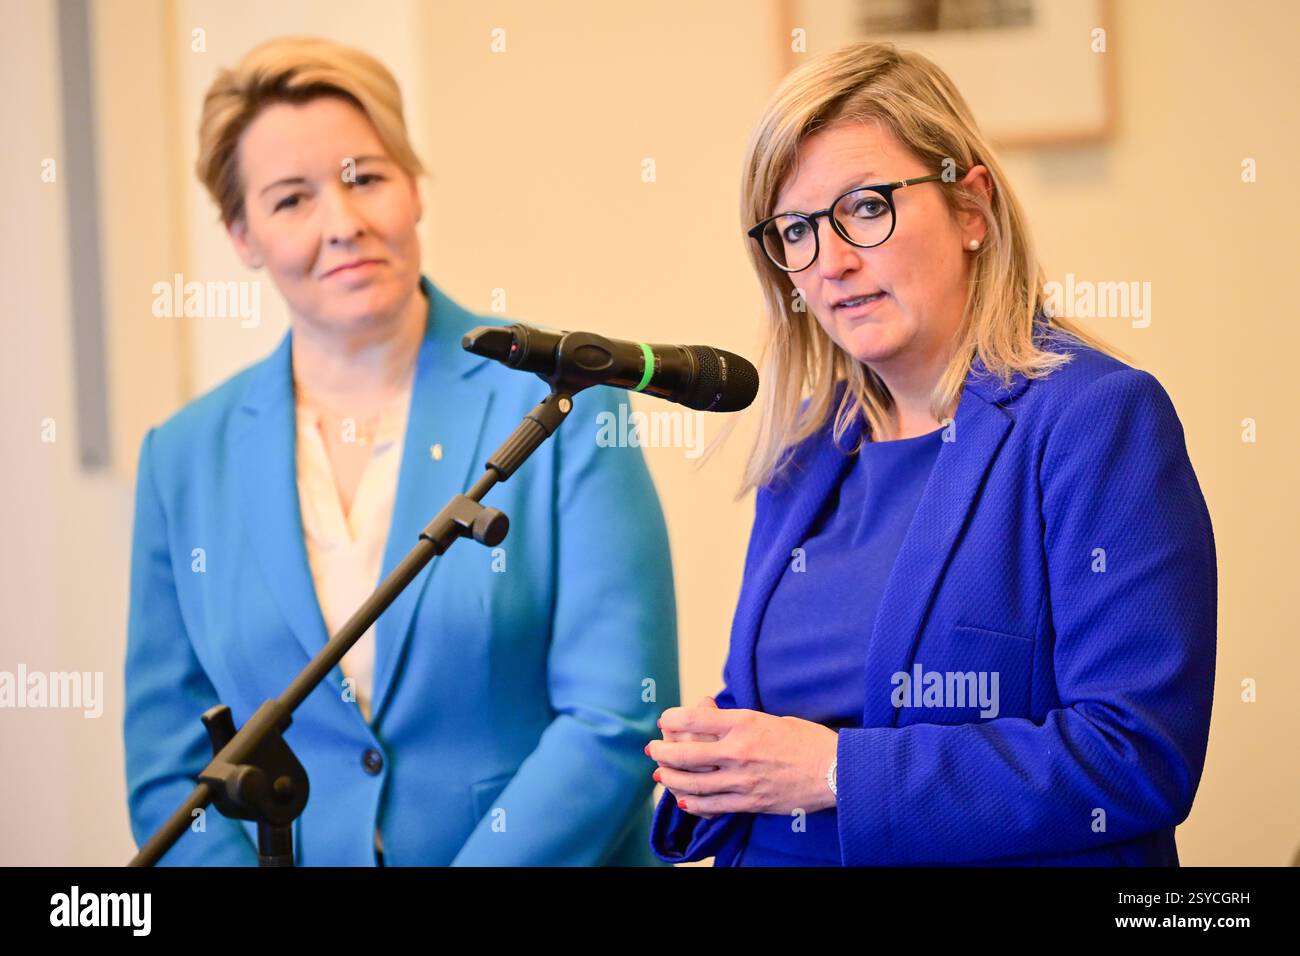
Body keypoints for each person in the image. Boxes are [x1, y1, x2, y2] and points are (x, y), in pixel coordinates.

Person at [646, 41, 1216, 866]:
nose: (831, 262)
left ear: (972, 207)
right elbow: (789, 719)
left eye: (866, 208)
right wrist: (715, 759)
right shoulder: (808, 449)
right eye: (796, 230)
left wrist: (838, 771)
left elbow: (1137, 756)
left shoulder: (1096, 420)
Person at [124, 35, 678, 866]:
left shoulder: (562, 404)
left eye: (365, 178)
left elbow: (617, 718)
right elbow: (170, 765)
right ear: (242, 236)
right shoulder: (183, 458)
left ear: (413, 187)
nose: (342, 224)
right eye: (290, 201)